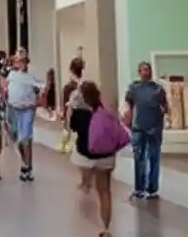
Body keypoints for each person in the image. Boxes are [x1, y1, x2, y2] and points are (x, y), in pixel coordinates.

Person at [70, 81, 124, 237]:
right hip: (105, 156)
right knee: (105, 192)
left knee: (80, 162)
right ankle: (106, 228)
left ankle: (85, 181)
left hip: (86, 155)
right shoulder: (105, 113)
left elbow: (72, 128)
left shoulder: (79, 113)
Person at [124, 61, 168, 199]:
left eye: (147, 69)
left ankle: (152, 189)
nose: (145, 72)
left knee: (154, 157)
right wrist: (128, 121)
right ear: (139, 72)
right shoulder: (133, 88)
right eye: (142, 70)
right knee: (139, 157)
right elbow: (129, 106)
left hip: (154, 127)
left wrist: (161, 117)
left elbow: (165, 106)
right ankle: (139, 188)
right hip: (138, 127)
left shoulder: (158, 89)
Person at [5, 52, 41, 181]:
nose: (21, 63)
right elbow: (5, 89)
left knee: (25, 138)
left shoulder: (32, 76)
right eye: (19, 61)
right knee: (16, 138)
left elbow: (40, 89)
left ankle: (28, 167)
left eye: (23, 61)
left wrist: (36, 102)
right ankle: (24, 161)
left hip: (27, 110)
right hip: (13, 109)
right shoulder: (11, 75)